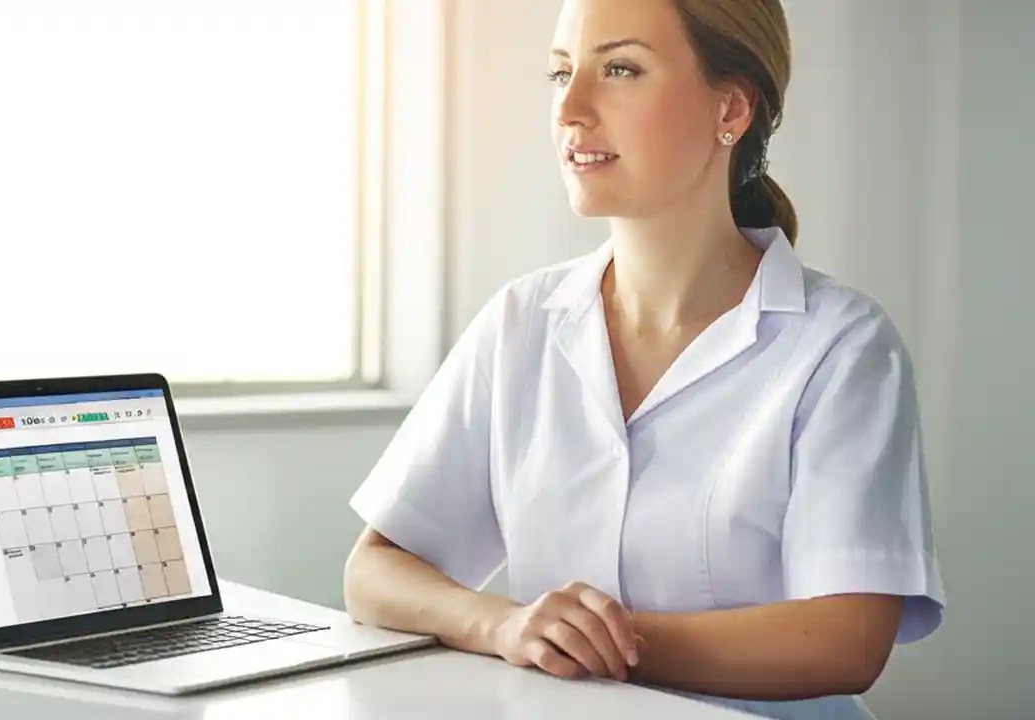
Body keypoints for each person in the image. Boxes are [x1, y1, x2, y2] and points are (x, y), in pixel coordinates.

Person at [341, 0, 946, 718]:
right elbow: (374, 571)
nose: (570, 107)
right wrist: (505, 625)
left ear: (732, 108)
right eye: (561, 72)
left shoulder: (843, 348)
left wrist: (601, 640)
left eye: (621, 69)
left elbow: (845, 641)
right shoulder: (521, 323)